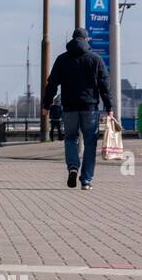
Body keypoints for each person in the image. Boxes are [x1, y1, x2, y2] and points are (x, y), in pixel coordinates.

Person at [41, 27, 113, 192]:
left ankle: (73, 167)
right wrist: (109, 107)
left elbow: (52, 84)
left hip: (69, 108)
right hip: (90, 108)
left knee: (70, 138)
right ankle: (86, 180)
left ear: (72, 40)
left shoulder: (62, 59)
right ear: (86, 40)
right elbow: (105, 86)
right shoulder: (95, 59)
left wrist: (46, 105)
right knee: (89, 142)